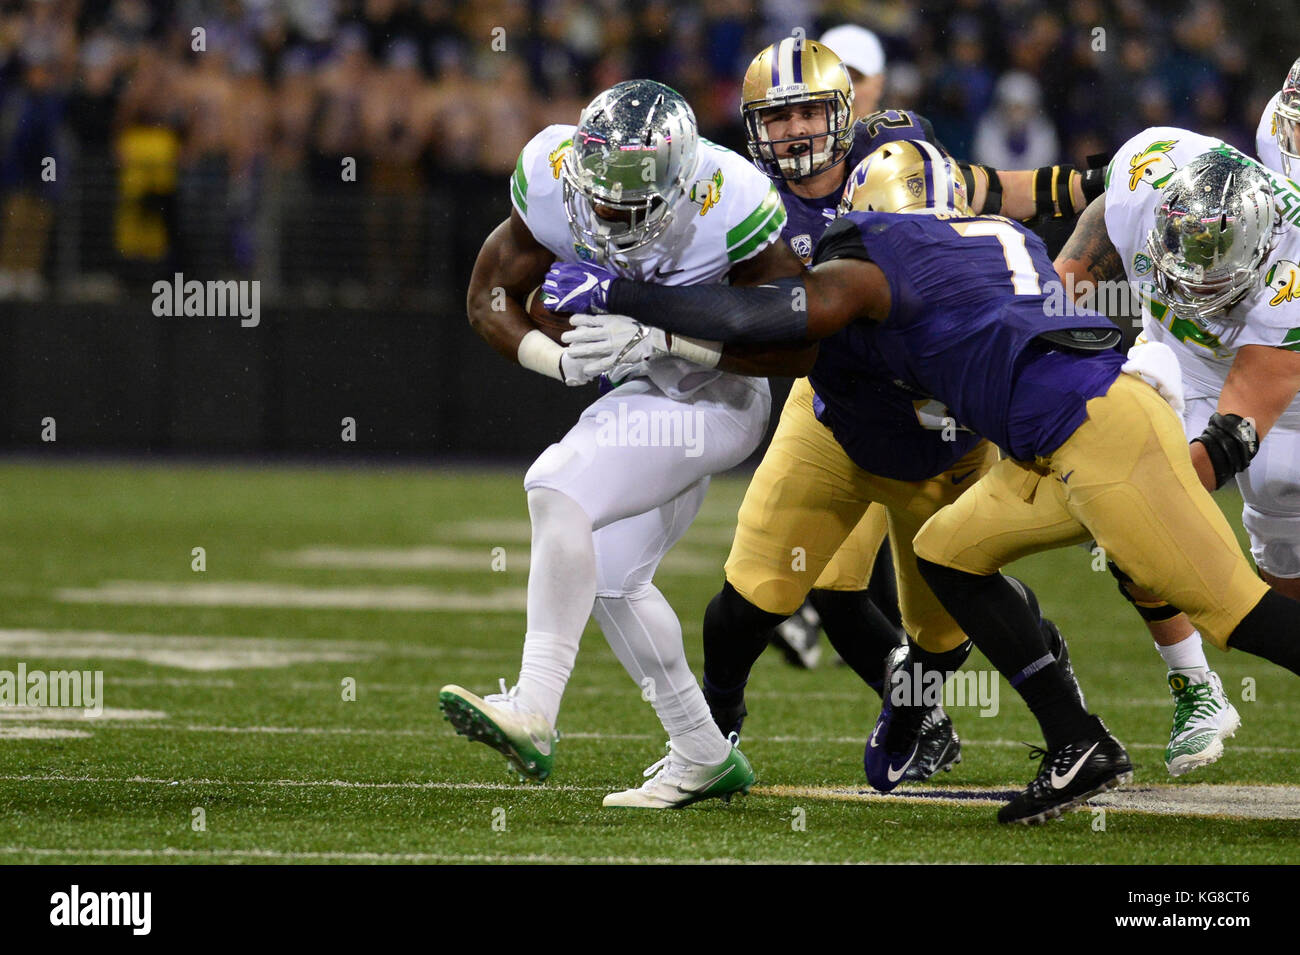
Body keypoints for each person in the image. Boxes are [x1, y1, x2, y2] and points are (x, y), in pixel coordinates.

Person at [541, 138, 1300, 823]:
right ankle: (1078, 739)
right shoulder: (998, 237)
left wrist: (623, 294)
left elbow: (781, 314)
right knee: (947, 550)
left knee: (1239, 612)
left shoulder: (883, 257)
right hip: (1054, 435)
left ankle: (1079, 718)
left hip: (1099, 435)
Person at [445, 79, 804, 809]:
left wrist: (670, 339)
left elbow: (801, 343)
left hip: (718, 395)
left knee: (557, 484)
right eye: (596, 195)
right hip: (640, 392)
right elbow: (488, 294)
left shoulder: (729, 199)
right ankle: (704, 750)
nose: (605, 214)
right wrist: (555, 359)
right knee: (608, 575)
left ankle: (535, 708)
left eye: (627, 204)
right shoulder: (550, 173)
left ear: (679, 186)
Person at [1056, 129, 1300, 775]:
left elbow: (1232, 437)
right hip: (1178, 362)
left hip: (1279, 386)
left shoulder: (1293, 270)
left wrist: (1131, 506)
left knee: (1281, 573)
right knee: (1132, 512)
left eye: (1211, 279)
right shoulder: (1150, 168)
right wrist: (1053, 306)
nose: (1190, 287)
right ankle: (1196, 687)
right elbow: (1102, 226)